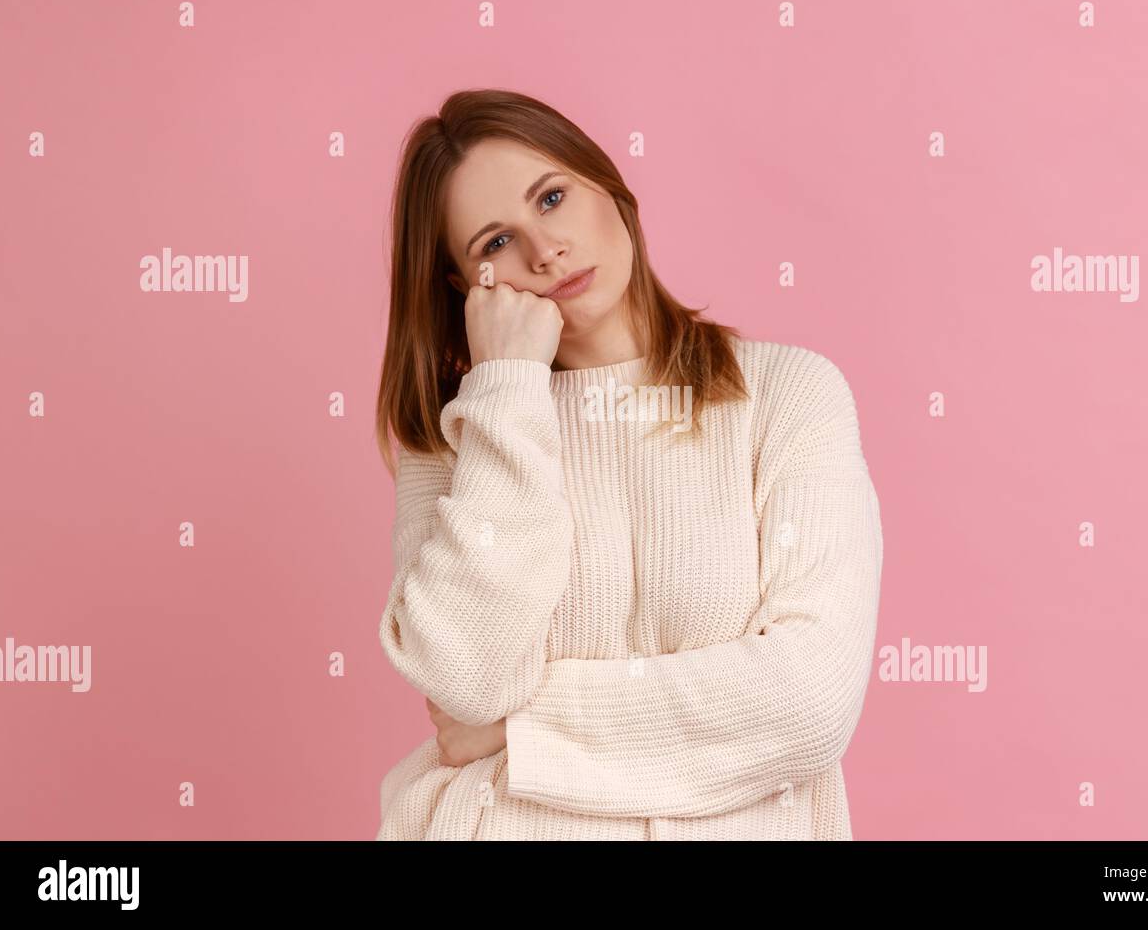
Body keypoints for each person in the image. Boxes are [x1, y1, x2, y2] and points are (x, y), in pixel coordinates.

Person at [372, 88, 884, 840]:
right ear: (467, 289)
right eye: (494, 244)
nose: (544, 250)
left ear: (609, 186)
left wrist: (523, 730)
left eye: (552, 198)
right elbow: (468, 685)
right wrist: (507, 391)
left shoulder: (788, 396)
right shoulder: (457, 443)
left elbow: (808, 701)